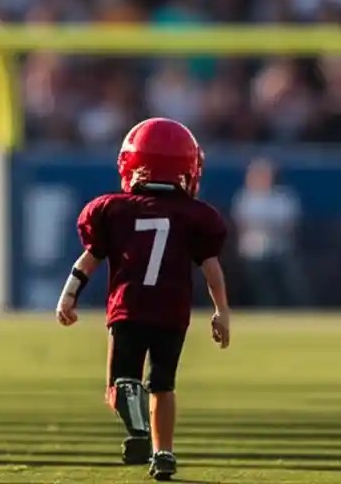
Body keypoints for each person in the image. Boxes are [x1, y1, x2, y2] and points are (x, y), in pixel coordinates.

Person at [55, 117, 231, 482]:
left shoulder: (114, 211)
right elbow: (211, 268)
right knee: (163, 384)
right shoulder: (194, 216)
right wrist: (221, 312)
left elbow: (89, 259)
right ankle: (163, 451)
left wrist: (68, 296)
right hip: (170, 312)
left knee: (119, 386)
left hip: (128, 309)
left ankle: (138, 432)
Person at [230, 159, 306, 307]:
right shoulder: (244, 198)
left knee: (293, 284)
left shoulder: (283, 197)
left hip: (280, 252)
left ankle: (301, 310)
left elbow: (289, 225)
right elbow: (242, 226)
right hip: (252, 254)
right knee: (261, 287)